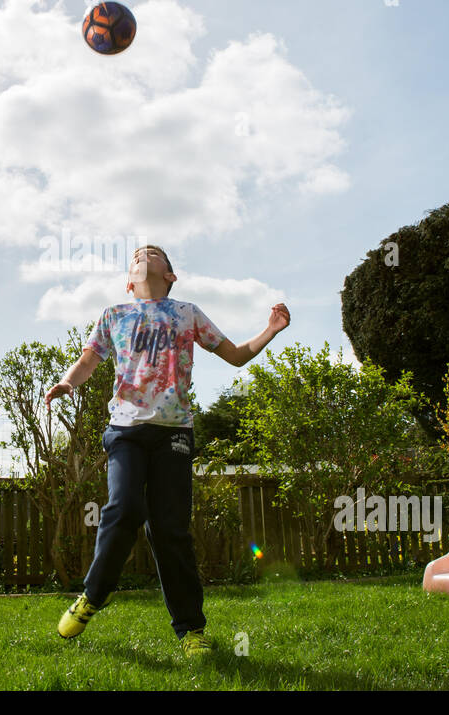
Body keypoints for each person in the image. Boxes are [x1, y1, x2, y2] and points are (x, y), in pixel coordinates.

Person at [43, 244, 291, 657]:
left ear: (171, 276)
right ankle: (92, 597)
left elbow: (234, 356)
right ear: (129, 281)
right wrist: (69, 382)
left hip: (174, 431)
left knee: (170, 530)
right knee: (123, 509)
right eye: (136, 256)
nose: (142, 255)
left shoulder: (187, 313)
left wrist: (271, 330)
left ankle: (191, 630)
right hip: (125, 428)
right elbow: (88, 360)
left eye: (152, 253)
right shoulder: (114, 315)